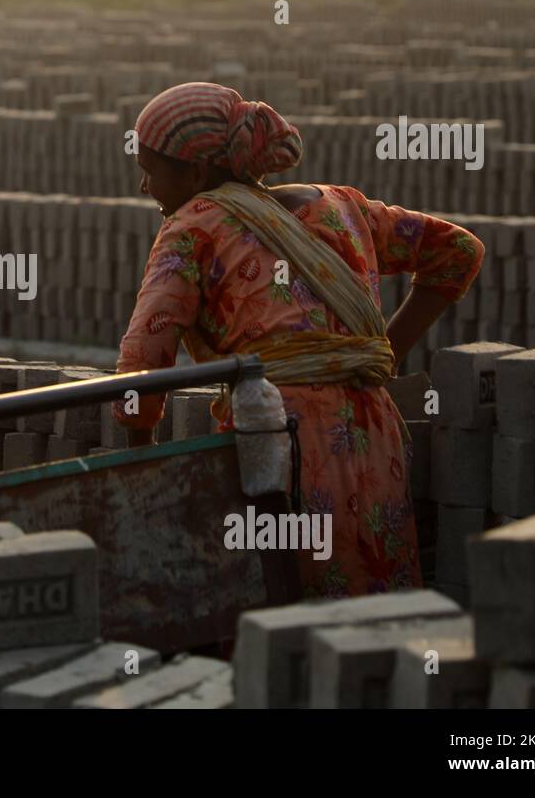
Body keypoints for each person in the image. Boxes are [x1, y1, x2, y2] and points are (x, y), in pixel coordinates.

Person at [113, 82, 484, 597]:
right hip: (373, 435)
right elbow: (459, 250)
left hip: (277, 437)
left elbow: (144, 356)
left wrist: (141, 464)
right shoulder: (341, 206)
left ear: (196, 172)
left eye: (151, 171)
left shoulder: (193, 228)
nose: (143, 186)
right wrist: (384, 354)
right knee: (376, 605)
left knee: (283, 613)